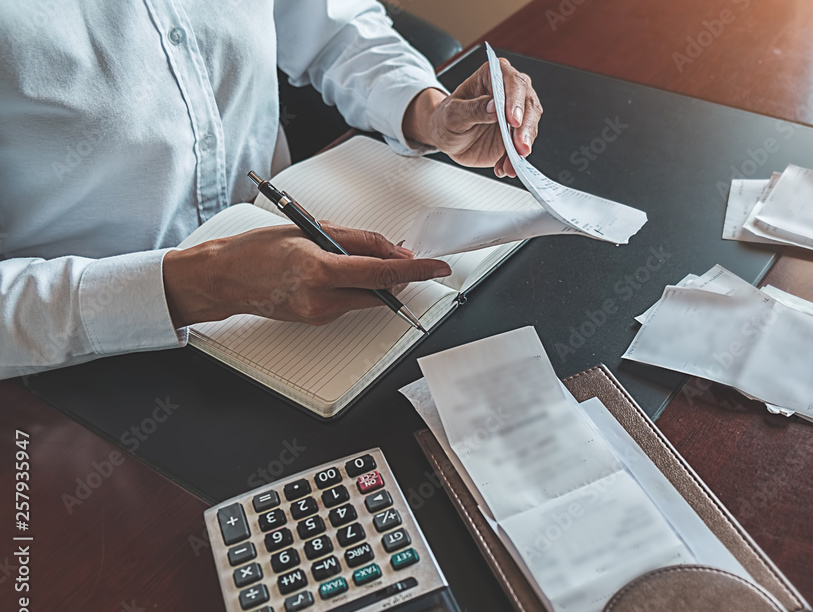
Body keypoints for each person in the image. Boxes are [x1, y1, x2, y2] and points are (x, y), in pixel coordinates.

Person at [0, 1, 542, 380]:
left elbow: (334, 29)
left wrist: (429, 113)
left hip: (292, 258)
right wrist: (202, 283)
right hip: (82, 351)